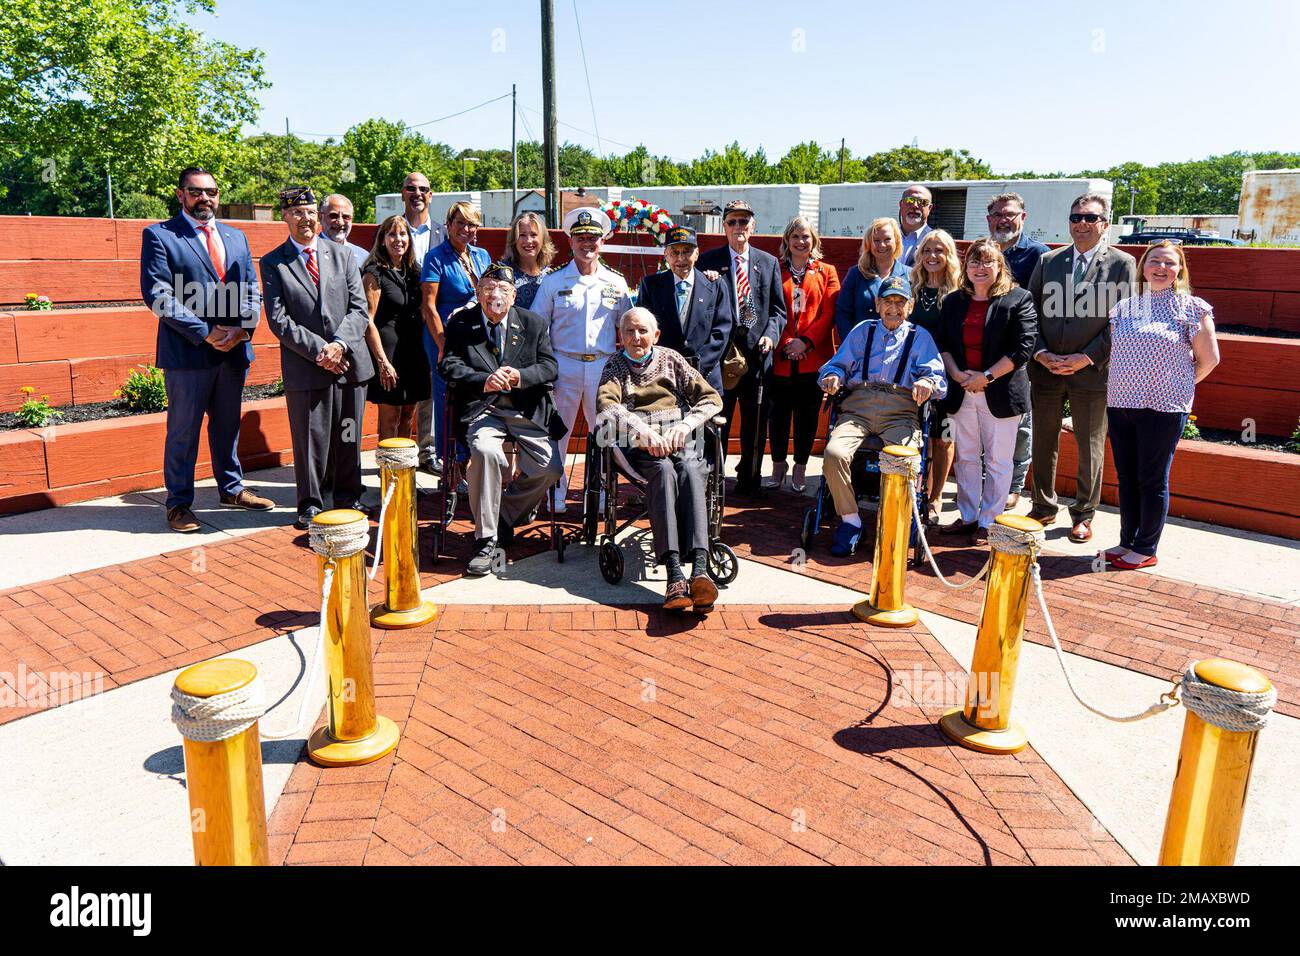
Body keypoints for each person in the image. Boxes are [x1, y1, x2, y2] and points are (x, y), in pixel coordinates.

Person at [140, 166, 273, 532]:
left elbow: (251, 288)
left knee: (227, 425)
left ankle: (231, 489)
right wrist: (204, 332)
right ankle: (178, 504)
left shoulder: (235, 236)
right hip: (188, 353)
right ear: (181, 194)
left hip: (232, 351)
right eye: (196, 192)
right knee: (183, 430)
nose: (205, 198)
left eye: (211, 192)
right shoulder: (160, 235)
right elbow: (157, 295)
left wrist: (244, 330)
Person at [260, 186, 375, 530]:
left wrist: (339, 344)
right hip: (305, 365)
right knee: (310, 439)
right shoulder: (273, 263)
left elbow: (360, 308)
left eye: (310, 212)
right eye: (297, 213)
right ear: (284, 216)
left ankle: (348, 497)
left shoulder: (342, 256)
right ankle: (310, 505)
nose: (305, 219)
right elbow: (279, 320)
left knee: (348, 435)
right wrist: (320, 351)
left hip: (350, 363)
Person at [439, 263, 566, 576]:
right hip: (483, 409)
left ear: (512, 296)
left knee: (550, 468)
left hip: (525, 409)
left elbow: (550, 367)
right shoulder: (461, 323)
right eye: (488, 289)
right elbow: (448, 366)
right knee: (486, 452)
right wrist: (484, 379)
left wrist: (521, 376)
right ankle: (486, 539)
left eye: (502, 291)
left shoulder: (532, 323)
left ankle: (503, 515)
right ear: (479, 293)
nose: (495, 296)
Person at [1027, 192, 1137, 543]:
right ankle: (1043, 506)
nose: (1081, 224)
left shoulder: (1123, 264)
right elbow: (1029, 313)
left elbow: (1124, 320)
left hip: (1092, 370)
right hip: (1047, 368)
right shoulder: (1048, 261)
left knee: (1090, 444)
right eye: (1075, 217)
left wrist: (1086, 357)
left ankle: (1084, 514)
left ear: (1105, 224)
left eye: (1090, 218)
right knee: (1043, 439)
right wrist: (1041, 352)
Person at [596, 308, 723, 612]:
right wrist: (641, 430)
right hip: (638, 445)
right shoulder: (614, 366)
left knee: (692, 470)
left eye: (642, 331)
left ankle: (701, 570)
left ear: (656, 335)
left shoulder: (672, 359)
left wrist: (685, 425)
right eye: (629, 331)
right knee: (664, 472)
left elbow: (712, 398)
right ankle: (675, 574)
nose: (635, 337)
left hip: (679, 436)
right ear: (620, 335)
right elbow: (606, 404)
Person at [1104, 241, 1219, 570]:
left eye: (1169, 263)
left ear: (1179, 269)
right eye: (1154, 261)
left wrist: (1178, 384)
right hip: (1121, 403)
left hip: (1164, 407)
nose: (1161, 267)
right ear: (1143, 267)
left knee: (1152, 478)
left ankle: (1146, 548)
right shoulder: (1125, 307)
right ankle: (1127, 541)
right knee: (1126, 476)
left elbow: (1209, 359)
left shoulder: (1193, 308)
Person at [817, 276, 947, 557]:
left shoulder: (919, 337)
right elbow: (836, 365)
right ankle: (851, 521)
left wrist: (927, 382)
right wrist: (832, 377)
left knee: (904, 460)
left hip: (900, 409)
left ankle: (895, 521)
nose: (893, 308)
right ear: (877, 305)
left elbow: (939, 379)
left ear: (909, 307)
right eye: (888, 302)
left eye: (900, 303)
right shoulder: (863, 330)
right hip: (859, 406)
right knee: (834, 453)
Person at [935, 239, 1038, 543]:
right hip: (962, 389)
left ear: (1000, 266)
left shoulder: (1019, 299)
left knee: (998, 460)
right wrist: (955, 373)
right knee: (966, 456)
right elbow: (943, 342)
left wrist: (987, 376)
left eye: (987, 262)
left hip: (1001, 393)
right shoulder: (954, 301)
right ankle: (968, 516)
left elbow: (1024, 348)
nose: (980, 268)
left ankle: (989, 520)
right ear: (965, 268)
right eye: (974, 262)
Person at [531, 207, 633, 511]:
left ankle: (601, 496)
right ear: (571, 242)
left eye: (593, 238)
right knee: (557, 434)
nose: (587, 243)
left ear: (601, 242)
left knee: (603, 433)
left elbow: (628, 328)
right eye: (581, 238)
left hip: (603, 366)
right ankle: (556, 496)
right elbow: (537, 326)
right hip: (565, 365)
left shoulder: (616, 283)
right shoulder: (554, 281)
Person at [696, 199, 785, 497]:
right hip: (721, 355)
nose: (738, 228)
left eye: (744, 222)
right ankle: (713, 479)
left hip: (756, 355)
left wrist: (770, 335)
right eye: (732, 222)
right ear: (724, 227)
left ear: (753, 226)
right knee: (717, 418)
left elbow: (778, 310)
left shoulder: (768, 262)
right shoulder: (708, 261)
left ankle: (750, 476)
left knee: (755, 420)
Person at [986, 192, 1051, 509]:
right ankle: (989, 481)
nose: (1003, 220)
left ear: (1023, 217)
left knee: (1019, 425)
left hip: (1020, 355)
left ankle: (1013, 485)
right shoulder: (982, 253)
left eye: (1009, 214)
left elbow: (1045, 308)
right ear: (989, 219)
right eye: (997, 214)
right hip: (985, 353)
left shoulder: (1040, 256)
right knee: (986, 422)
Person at [768, 215, 839, 492]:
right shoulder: (775, 268)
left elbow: (829, 312)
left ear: (814, 240)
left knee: (807, 417)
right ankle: (777, 464)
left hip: (813, 358)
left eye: (805, 236)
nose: (800, 241)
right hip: (781, 358)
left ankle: (799, 466)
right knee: (778, 416)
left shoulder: (827, 271)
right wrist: (787, 342)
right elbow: (770, 308)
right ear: (787, 240)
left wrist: (805, 343)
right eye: (795, 236)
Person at [420, 201, 492, 473]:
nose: (465, 228)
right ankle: (450, 467)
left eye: (471, 223)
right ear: (448, 225)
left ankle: (470, 462)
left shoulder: (482, 255)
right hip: (445, 338)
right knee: (447, 399)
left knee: (474, 397)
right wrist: (442, 345)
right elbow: (428, 306)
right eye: (459, 222)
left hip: (476, 338)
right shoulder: (435, 257)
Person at [635, 225, 733, 393]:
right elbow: (644, 330)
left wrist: (694, 367)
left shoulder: (715, 285)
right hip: (662, 378)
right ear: (665, 254)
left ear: (697, 253)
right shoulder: (650, 286)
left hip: (705, 379)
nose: (680, 259)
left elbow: (722, 331)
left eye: (686, 251)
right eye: (674, 252)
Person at [908, 229, 963, 524]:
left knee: (943, 438)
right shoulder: (911, 288)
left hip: (947, 377)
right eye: (927, 250)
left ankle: (935, 496)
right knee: (915, 438)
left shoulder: (959, 292)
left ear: (949, 255)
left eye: (939, 250)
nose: (932, 256)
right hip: (912, 376)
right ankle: (913, 491)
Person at [361, 215, 430, 442]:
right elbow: (367, 320)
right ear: (382, 240)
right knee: (390, 418)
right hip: (388, 354)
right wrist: (382, 363)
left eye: (402, 234)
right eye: (391, 234)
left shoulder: (414, 271)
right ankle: (388, 473)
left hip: (414, 353)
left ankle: (403, 472)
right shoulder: (374, 272)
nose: (398, 239)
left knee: (408, 416)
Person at [402, 171, 449, 473]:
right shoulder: (392, 230)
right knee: (404, 390)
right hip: (401, 322)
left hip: (434, 321)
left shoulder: (444, 233)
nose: (417, 194)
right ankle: (400, 452)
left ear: (431, 196)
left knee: (434, 385)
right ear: (402, 194)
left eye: (423, 189)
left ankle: (427, 450)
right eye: (411, 189)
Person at [835, 217, 909, 341]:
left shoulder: (909, 274)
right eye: (876, 240)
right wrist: (851, 345)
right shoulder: (856, 274)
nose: (882, 245)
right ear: (869, 243)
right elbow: (843, 313)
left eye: (887, 239)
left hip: (899, 349)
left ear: (897, 240)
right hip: (862, 348)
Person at [502, 211, 557, 310]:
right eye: (522, 235)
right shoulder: (502, 274)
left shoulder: (550, 275)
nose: (528, 241)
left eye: (533, 235)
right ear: (514, 239)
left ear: (542, 239)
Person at [319, 193, 369, 269]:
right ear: (320, 217)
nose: (340, 222)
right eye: (333, 216)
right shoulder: (309, 253)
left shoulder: (363, 257)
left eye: (346, 217)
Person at [898, 185, 934, 267]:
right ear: (901, 204)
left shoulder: (938, 240)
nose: (914, 205)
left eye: (922, 202)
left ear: (930, 208)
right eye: (909, 200)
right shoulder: (886, 237)